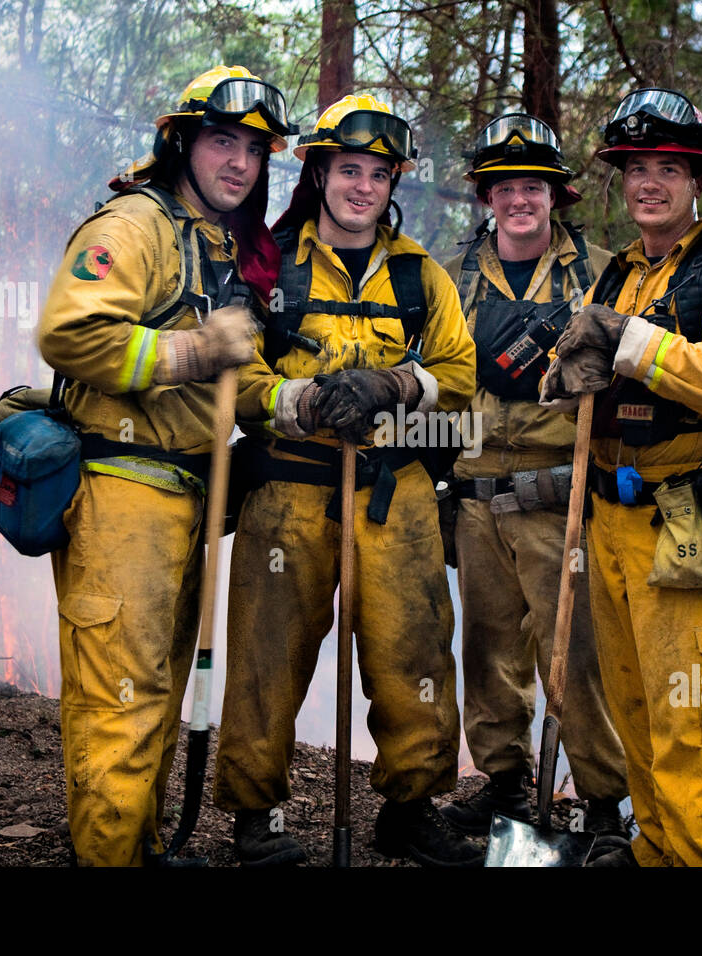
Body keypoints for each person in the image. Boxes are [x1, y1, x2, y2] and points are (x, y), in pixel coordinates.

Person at [212, 93, 481, 867]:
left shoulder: (419, 275)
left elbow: (458, 370)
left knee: (415, 656)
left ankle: (410, 808)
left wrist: (396, 386)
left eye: (379, 174)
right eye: (349, 170)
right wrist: (296, 400)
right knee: (269, 654)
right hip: (288, 496)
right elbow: (238, 372)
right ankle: (255, 819)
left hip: (394, 497)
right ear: (321, 172)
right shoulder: (267, 263)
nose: (364, 187)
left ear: (395, 182)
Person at [36, 65, 294, 866]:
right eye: (223, 142)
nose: (240, 164)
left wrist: (296, 403)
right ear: (180, 142)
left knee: (157, 688)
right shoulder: (136, 224)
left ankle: (138, 848)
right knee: (124, 698)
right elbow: (68, 334)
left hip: (184, 492)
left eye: (255, 150)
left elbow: (234, 377)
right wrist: (189, 351)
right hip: (120, 490)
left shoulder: (220, 243)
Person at [540, 88, 702, 867]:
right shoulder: (617, 275)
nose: (650, 182)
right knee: (636, 705)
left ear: (699, 178)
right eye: (637, 167)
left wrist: (629, 342)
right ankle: (656, 853)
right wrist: (565, 366)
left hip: (692, 523)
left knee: (696, 718)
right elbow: (577, 359)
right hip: (610, 518)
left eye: (668, 168)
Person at [438, 113, 629, 857]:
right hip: (476, 495)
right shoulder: (453, 275)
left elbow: (642, 367)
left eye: (534, 186)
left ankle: (605, 804)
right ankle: (505, 784)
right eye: (506, 186)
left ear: (557, 193)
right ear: (488, 195)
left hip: (562, 494)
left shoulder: (605, 272)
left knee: (575, 655)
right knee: (489, 651)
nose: (520, 199)